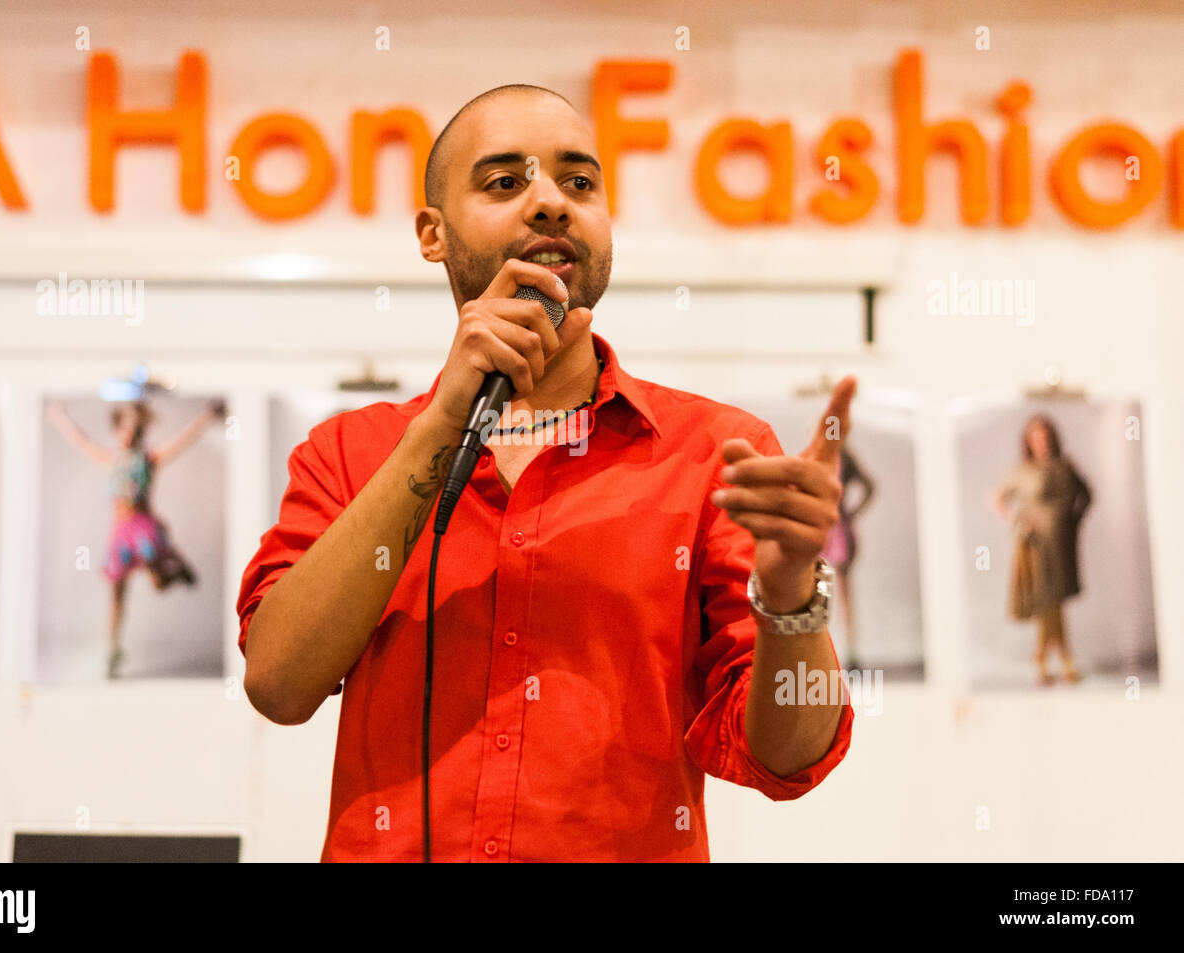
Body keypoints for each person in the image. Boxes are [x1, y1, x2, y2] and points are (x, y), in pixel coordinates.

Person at [237, 85, 855, 862]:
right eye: (505, 182)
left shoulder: (717, 452)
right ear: (432, 233)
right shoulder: (349, 453)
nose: (551, 204)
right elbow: (278, 683)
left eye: (579, 182)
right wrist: (440, 428)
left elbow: (790, 757)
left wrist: (792, 595)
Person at [48, 398, 226, 678]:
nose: (129, 434)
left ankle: (174, 568)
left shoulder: (149, 460)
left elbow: (183, 441)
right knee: (117, 593)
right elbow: (80, 440)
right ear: (117, 429)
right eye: (125, 427)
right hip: (120, 532)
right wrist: (58, 416)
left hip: (143, 527)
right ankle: (113, 648)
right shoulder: (110, 458)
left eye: (135, 428)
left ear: (141, 431)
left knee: (157, 583)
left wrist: (207, 417)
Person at [992, 414, 1092, 686]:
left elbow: (1086, 495)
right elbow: (998, 498)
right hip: (1036, 546)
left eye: (1045, 435)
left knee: (1057, 600)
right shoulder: (1023, 470)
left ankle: (1046, 660)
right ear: (1028, 441)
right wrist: (1017, 521)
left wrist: (1073, 521)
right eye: (1036, 437)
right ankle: (1058, 660)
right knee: (1047, 601)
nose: (1042, 441)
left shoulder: (1065, 466)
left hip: (1062, 543)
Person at [821, 445, 875, 670]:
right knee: (824, 592)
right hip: (826, 528)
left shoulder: (841, 457)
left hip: (836, 530)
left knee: (841, 593)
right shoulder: (821, 456)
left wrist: (852, 513)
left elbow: (869, 487)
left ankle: (849, 652)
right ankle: (825, 652)